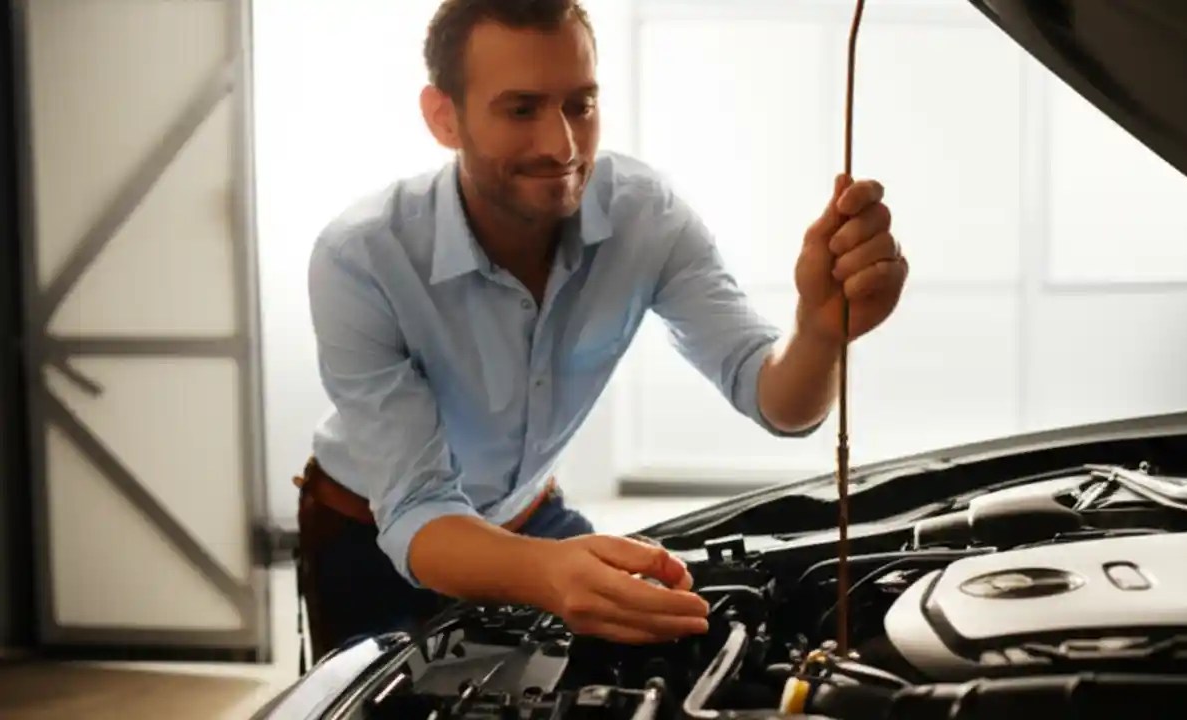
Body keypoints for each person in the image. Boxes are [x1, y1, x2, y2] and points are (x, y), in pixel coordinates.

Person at [295, 0, 907, 658]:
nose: (562, 146)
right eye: (521, 109)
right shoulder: (362, 257)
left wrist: (818, 331)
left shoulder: (648, 216)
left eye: (580, 105)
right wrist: (548, 573)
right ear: (444, 117)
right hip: (370, 533)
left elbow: (777, 402)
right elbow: (417, 508)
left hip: (526, 514)